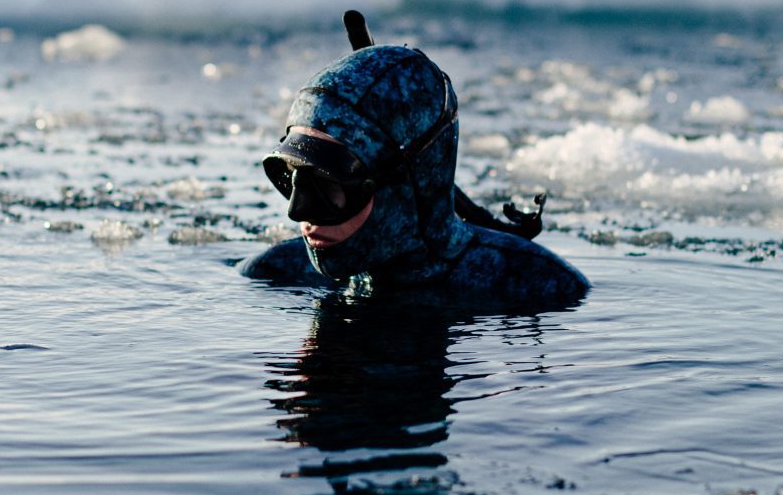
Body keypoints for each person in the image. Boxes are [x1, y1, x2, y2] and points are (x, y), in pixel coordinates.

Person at [238, 29, 589, 309]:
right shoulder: (277, 271)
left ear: (405, 186)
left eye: (329, 183)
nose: (297, 211)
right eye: (291, 176)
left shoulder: (535, 284)